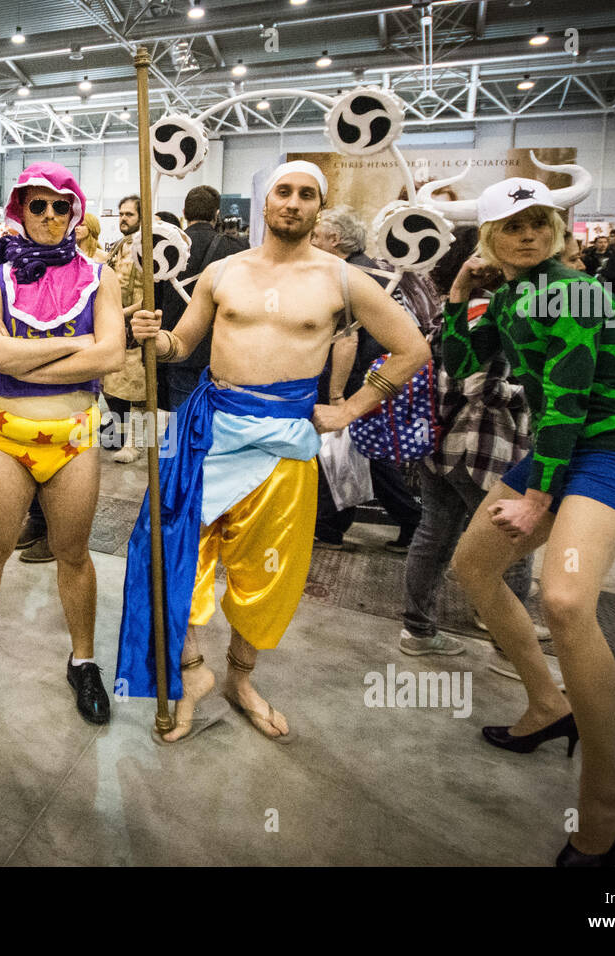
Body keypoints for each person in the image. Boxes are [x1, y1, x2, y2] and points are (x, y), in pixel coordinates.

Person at [118, 161, 428, 744]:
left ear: (319, 207)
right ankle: (190, 673)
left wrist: (349, 409)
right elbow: (183, 343)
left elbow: (412, 349)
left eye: (306, 195)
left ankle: (241, 679)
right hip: (206, 436)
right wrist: (156, 339)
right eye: (283, 191)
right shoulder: (222, 271)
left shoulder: (342, 279)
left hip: (285, 446)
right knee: (171, 555)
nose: (292, 202)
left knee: (264, 574)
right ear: (265, 203)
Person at [426, 168, 615, 866]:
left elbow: (568, 402)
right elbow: (461, 366)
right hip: (558, 458)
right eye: (511, 229)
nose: (526, 236)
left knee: (563, 599)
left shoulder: (577, 291)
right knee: (471, 568)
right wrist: (458, 298)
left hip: (609, 454)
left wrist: (537, 498)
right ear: (490, 239)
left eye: (537, 225)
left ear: (555, 230)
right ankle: (547, 705)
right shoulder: (509, 297)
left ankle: (603, 802)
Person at [0, 162, 124, 728]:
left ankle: (84, 660)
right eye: (36, 205)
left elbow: (110, 358)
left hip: (75, 439)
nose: (49, 216)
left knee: (74, 554)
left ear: (75, 210)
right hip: (5, 438)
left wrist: (26, 357)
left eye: (60, 205)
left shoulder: (102, 277)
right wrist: (75, 349)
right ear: (20, 210)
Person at [398, 225, 541, 657]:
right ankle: (510, 642)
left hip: (445, 444)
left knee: (435, 537)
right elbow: (479, 385)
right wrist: (536, 391)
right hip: (482, 446)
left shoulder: (459, 305)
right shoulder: (486, 308)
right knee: (511, 543)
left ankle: (419, 631)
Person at [309, 205, 423, 553]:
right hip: (379, 374)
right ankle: (339, 523)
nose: (311, 242)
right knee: (361, 452)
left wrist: (337, 395)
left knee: (355, 450)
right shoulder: (373, 269)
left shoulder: (349, 274)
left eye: (316, 236)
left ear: (336, 240)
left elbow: (347, 338)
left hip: (360, 377)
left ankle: (404, 521)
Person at [160, 185, 247, 412]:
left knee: (183, 421)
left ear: (184, 212)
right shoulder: (237, 248)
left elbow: (155, 298)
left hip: (176, 348)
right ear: (216, 214)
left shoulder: (166, 248)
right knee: (220, 425)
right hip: (221, 350)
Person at [100, 193, 147, 466]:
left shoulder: (147, 248)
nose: (123, 219)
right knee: (114, 386)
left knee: (139, 391)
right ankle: (118, 435)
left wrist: (122, 314)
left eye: (128, 214)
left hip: (136, 329)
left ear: (141, 217)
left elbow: (148, 296)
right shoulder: (119, 245)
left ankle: (135, 444)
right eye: (121, 214)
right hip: (115, 326)